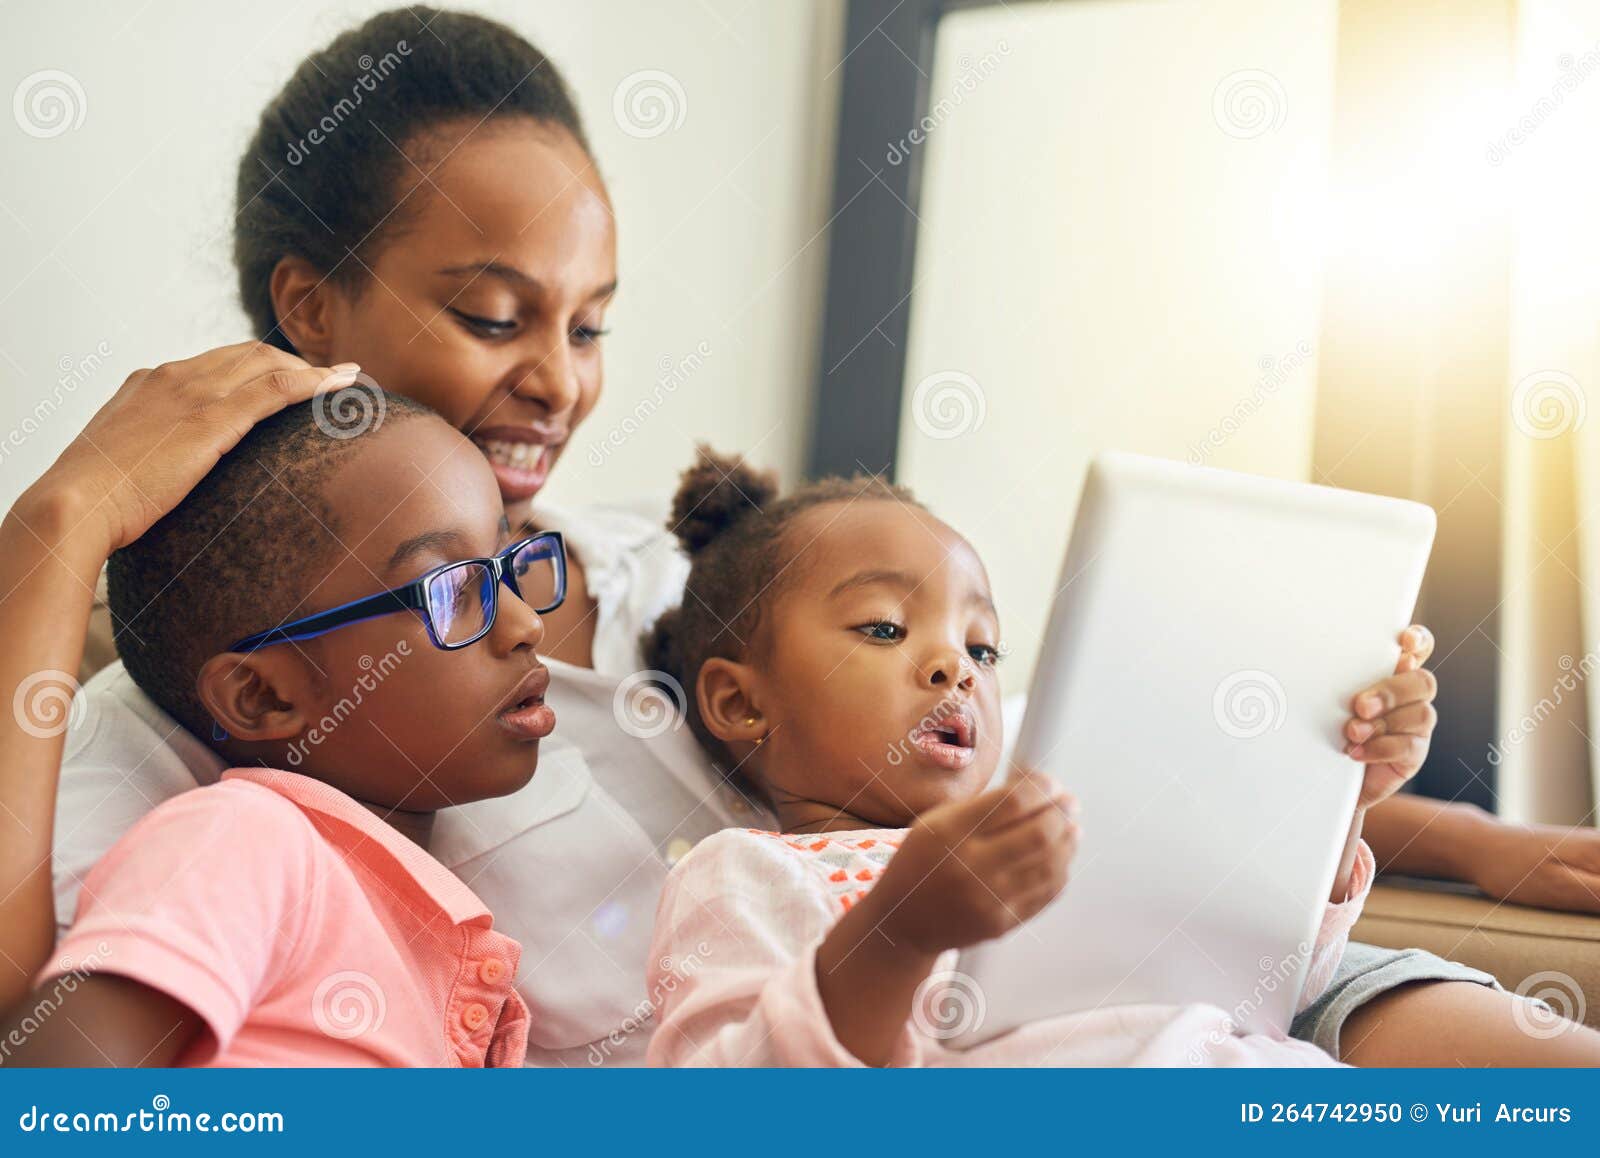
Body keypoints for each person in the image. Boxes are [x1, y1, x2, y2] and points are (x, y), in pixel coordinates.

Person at [5, 5, 1595, 1069]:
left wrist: (1449, 823)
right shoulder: (229, 715)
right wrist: (63, 525)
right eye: (495, 315)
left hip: (1100, 987)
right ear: (310, 306)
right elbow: (44, 1026)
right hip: (862, 1058)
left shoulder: (652, 562)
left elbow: (1013, 735)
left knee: (1385, 1005)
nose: (559, 380)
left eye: (594, 324)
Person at [639, 450, 1600, 1066]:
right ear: (738, 701)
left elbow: (1274, 986)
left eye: (982, 649)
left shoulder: (1068, 828)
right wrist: (899, 927)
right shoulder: (747, 876)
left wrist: (1342, 795)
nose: (954, 670)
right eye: (886, 628)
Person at [2, 387, 561, 1065]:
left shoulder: (430, 927)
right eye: (450, 590)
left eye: (507, 565)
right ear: (263, 695)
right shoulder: (242, 843)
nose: (527, 625)